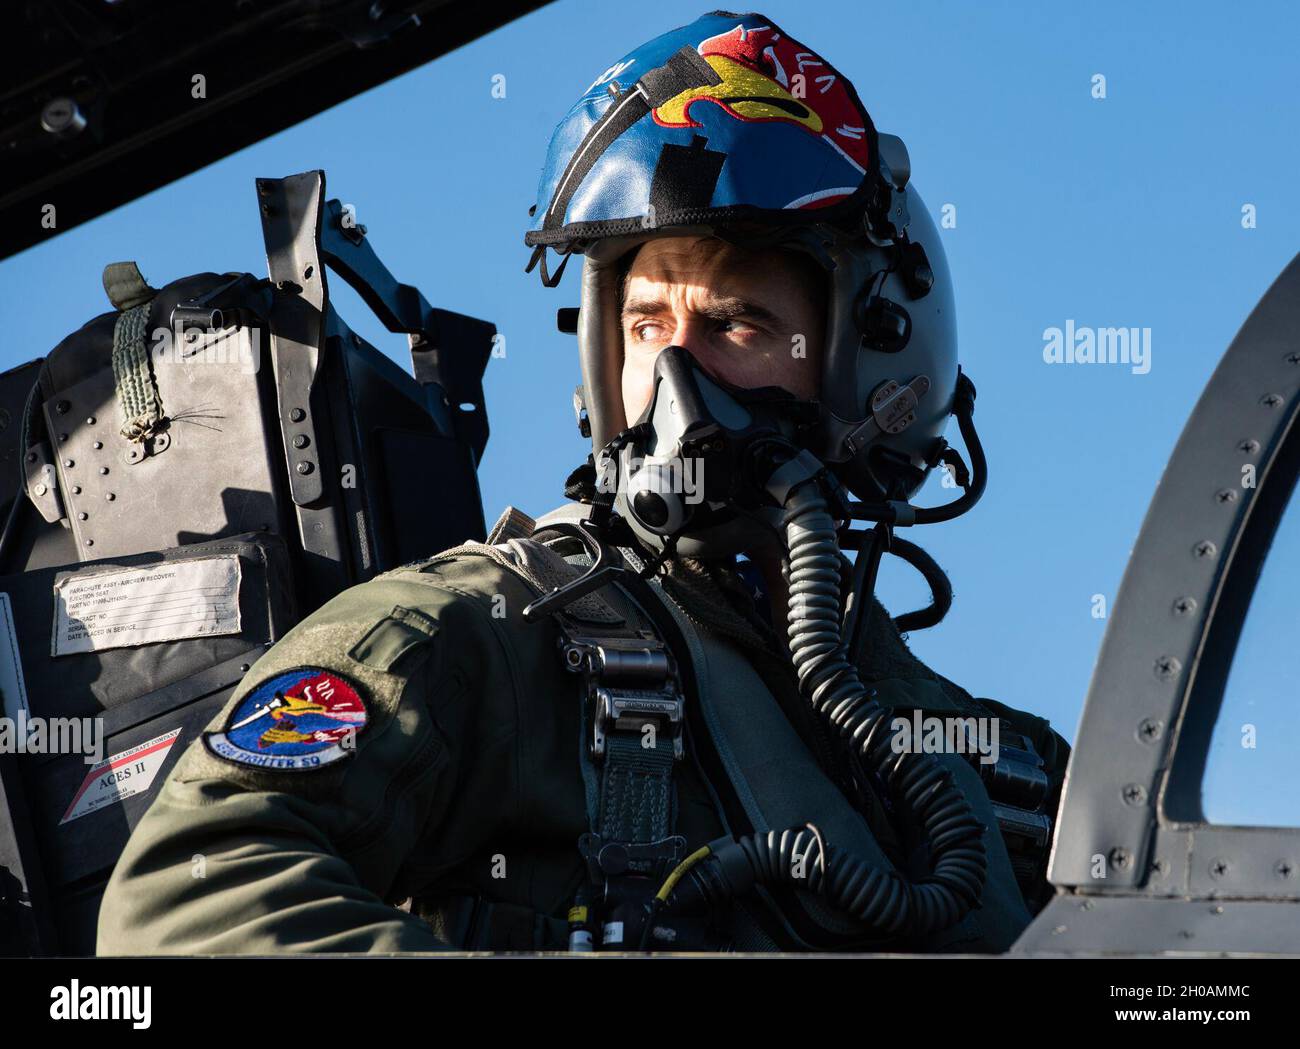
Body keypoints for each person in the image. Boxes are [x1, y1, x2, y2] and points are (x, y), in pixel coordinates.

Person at [96, 10, 1070, 954]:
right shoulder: (481, 629)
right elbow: (193, 892)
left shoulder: (1008, 775)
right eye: (646, 326)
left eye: (735, 323)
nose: (674, 379)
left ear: (870, 358)